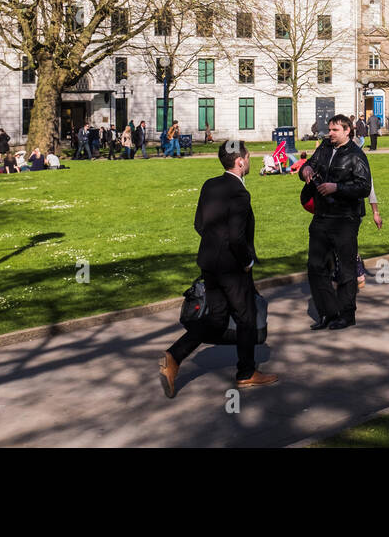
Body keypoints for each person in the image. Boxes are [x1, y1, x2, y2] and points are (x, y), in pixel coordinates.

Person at [159, 140, 277, 397]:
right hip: (232, 267)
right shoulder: (240, 193)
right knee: (246, 318)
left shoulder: (210, 185)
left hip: (209, 263)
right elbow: (236, 237)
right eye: (248, 156)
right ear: (240, 161)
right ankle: (246, 373)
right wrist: (246, 262)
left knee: (217, 318)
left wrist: (215, 245)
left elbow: (199, 224)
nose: (250, 159)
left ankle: (174, 356)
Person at [299, 114, 373, 331]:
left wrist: (337, 188)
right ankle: (327, 313)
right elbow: (309, 165)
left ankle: (347, 314)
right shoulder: (323, 147)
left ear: (347, 131)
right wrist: (306, 170)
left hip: (344, 219)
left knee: (346, 269)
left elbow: (364, 187)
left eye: (334, 130)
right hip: (321, 216)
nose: (329, 133)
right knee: (315, 266)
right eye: (329, 130)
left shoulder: (356, 155)